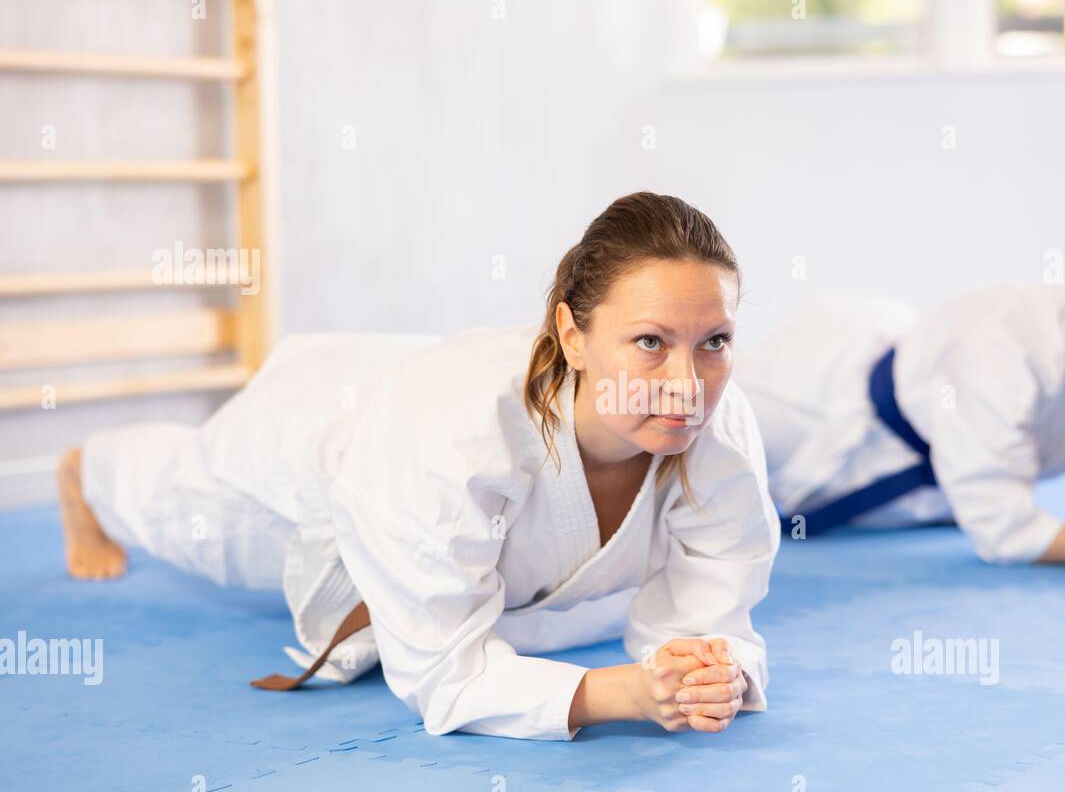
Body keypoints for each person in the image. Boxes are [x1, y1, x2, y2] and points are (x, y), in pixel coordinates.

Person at [58, 191, 781, 741]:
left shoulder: (720, 428)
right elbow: (444, 674)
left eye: (714, 341)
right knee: (181, 510)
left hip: (429, 414)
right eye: (651, 341)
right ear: (573, 334)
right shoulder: (455, 439)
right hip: (325, 460)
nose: (689, 384)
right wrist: (625, 694)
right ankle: (82, 472)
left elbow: (711, 613)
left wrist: (701, 672)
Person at [735, 227, 1065, 569]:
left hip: (925, 471)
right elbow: (1007, 538)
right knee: (700, 455)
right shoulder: (1006, 348)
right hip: (815, 401)